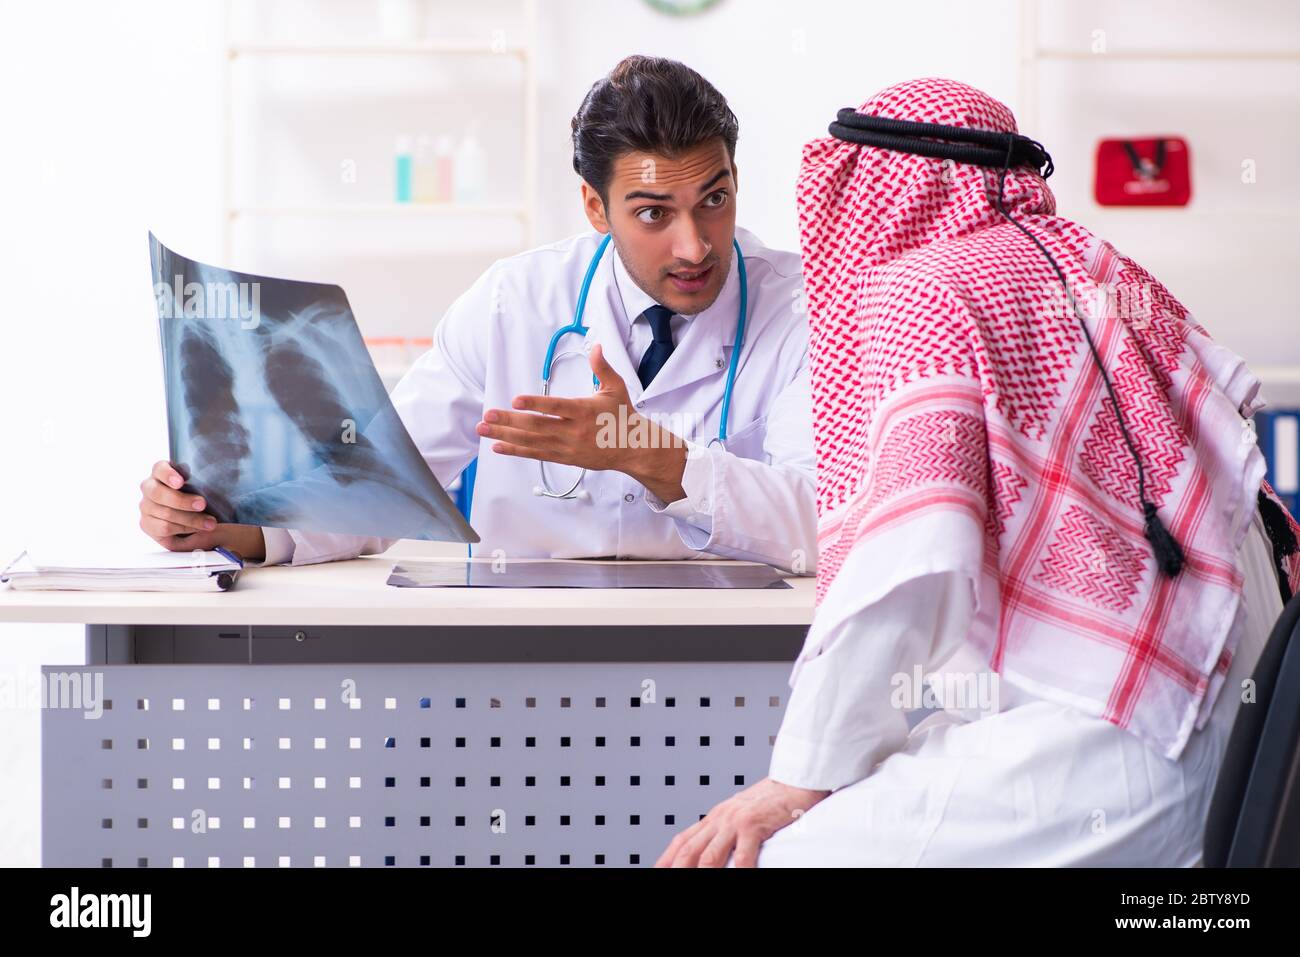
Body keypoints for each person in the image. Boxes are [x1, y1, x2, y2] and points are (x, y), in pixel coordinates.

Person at [657, 77, 1300, 868]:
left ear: (870, 187)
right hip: (1241, 746)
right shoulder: (1103, 269)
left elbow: (908, 573)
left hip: (1121, 751)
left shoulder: (926, 291)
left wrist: (800, 778)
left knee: (776, 857)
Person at [137, 56, 816, 573]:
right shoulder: (513, 304)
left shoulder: (799, 311)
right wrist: (226, 527)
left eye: (715, 198)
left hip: (724, 662)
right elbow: (380, 487)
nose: (695, 243)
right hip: (513, 669)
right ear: (592, 206)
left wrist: (651, 456)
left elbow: (820, 523)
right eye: (653, 214)